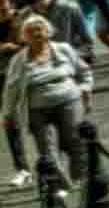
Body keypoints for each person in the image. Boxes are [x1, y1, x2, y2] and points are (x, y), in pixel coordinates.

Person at [12, 11, 93, 177]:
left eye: (39, 29)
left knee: (75, 140)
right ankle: (60, 183)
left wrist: (85, 88)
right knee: (47, 148)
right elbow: (10, 87)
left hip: (68, 100)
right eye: (31, 31)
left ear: (48, 31)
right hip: (38, 108)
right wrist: (8, 114)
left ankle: (81, 178)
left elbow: (84, 71)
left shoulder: (64, 49)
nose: (36, 33)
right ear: (24, 37)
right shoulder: (19, 59)